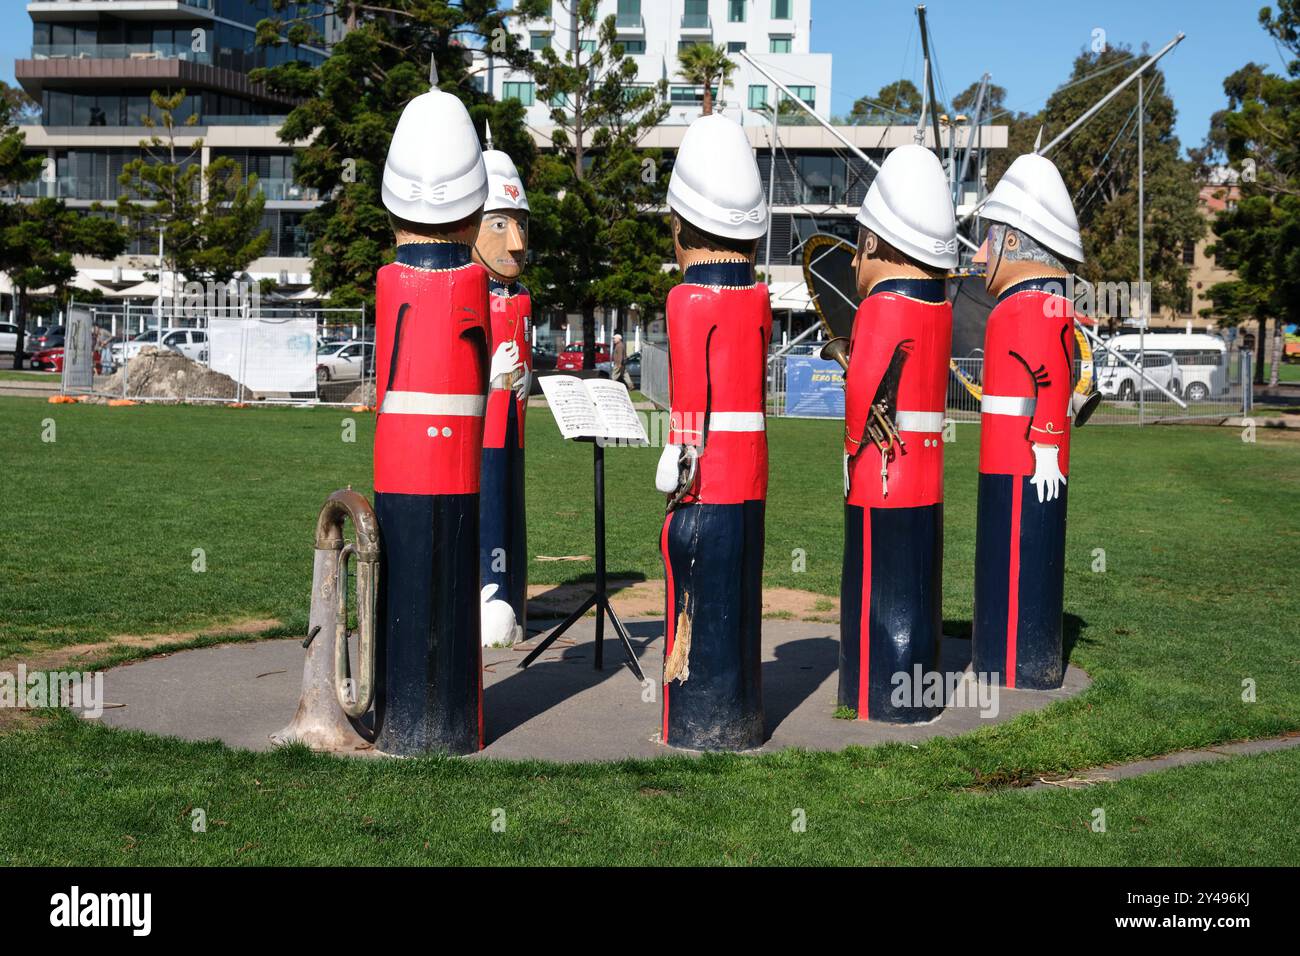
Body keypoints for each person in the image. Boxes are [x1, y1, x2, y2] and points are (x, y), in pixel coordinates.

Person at [372, 85, 492, 755]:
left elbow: (387, 377)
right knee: (446, 580)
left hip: (405, 457)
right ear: (475, 210)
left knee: (411, 579)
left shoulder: (393, 283)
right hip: (453, 461)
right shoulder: (474, 287)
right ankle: (446, 723)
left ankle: (408, 722)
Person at [656, 114, 771, 751]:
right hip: (749, 476)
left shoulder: (685, 300)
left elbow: (689, 394)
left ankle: (697, 719)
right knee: (738, 588)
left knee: (693, 583)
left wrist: (679, 454)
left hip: (703, 479)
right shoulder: (757, 301)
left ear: (683, 227)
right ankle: (739, 712)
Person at [838, 144, 956, 723]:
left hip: (879, 476)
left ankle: (872, 694)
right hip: (926, 473)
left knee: (875, 586)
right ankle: (917, 693)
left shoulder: (881, 307)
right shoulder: (939, 307)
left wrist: (849, 444)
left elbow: (862, 391)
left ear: (875, 243)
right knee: (917, 583)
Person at [970, 153, 1084, 690]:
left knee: (1014, 553)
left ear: (1013, 242)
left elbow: (1049, 379)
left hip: (1020, 465)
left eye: (988, 239)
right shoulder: (1036, 306)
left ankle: (1015, 661)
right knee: (1004, 554)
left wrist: (1044, 446)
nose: (978, 254)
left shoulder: (1027, 308)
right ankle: (1004, 656)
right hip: (1009, 458)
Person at [472, 129, 532, 649]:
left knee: (513, 505)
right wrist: (488, 377)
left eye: (520, 225)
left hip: (516, 427)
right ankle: (490, 596)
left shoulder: (520, 298)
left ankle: (517, 592)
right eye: (499, 224)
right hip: (482, 432)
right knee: (488, 502)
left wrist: (523, 379)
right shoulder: (467, 293)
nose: (515, 241)